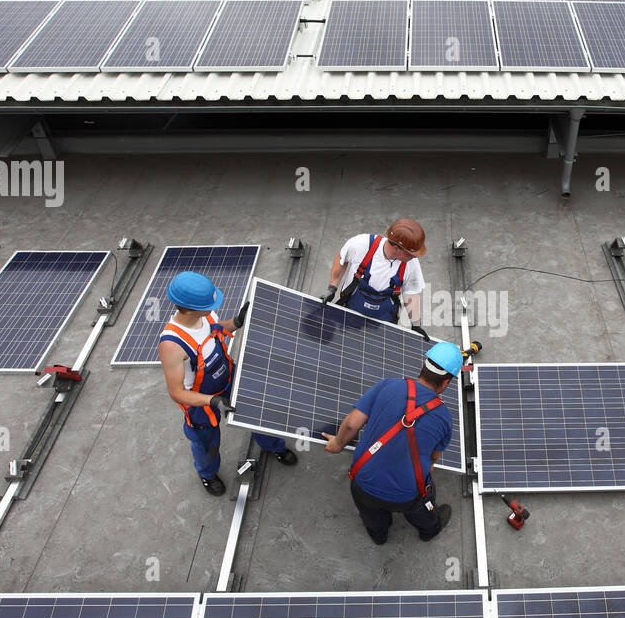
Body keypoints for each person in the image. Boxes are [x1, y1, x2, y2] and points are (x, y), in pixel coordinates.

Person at [158, 271, 296, 496]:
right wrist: (212, 401)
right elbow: (177, 392)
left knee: (257, 414)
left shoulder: (204, 316)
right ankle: (207, 474)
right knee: (207, 444)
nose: (212, 307)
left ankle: (273, 447)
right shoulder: (172, 345)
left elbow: (215, 329)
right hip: (201, 402)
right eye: (208, 304)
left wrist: (236, 322)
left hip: (228, 378)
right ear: (191, 308)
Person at [321, 342, 463, 545]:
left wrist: (337, 443)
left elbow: (352, 424)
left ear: (423, 367)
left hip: (364, 482)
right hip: (407, 494)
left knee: (372, 516)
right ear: (446, 383)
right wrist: (429, 463)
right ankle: (428, 531)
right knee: (422, 510)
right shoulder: (444, 417)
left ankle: (379, 535)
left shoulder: (387, 385)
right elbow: (434, 456)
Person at [319, 218, 431, 335]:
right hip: (352, 310)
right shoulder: (361, 245)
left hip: (383, 321)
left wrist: (416, 324)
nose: (414, 257)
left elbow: (411, 293)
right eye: (411, 254)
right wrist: (332, 288)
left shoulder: (411, 264)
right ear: (397, 248)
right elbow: (342, 259)